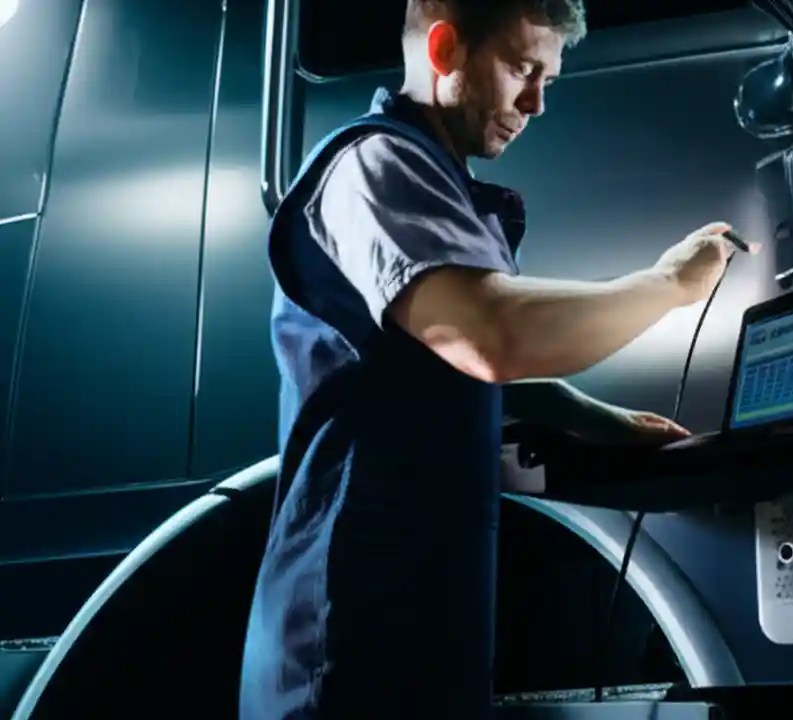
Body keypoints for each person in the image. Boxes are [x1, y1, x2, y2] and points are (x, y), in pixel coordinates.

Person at [239, 0, 756, 717]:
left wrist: (587, 416)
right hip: (343, 651)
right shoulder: (374, 170)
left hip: (413, 640)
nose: (537, 101)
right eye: (522, 68)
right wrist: (667, 285)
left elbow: (430, 377)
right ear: (446, 47)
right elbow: (489, 336)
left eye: (548, 77)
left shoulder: (434, 184)